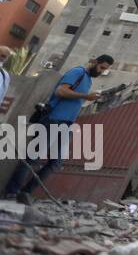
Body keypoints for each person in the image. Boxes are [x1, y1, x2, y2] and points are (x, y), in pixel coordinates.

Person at [3, 53, 112, 203]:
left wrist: (89, 99)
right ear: (94, 62)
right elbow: (60, 91)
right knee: (33, 158)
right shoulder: (78, 72)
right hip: (54, 120)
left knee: (56, 163)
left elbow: (75, 100)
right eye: (101, 67)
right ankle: (11, 192)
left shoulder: (88, 80)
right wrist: (85, 96)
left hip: (66, 124)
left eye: (104, 70)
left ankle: (24, 192)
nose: (101, 71)